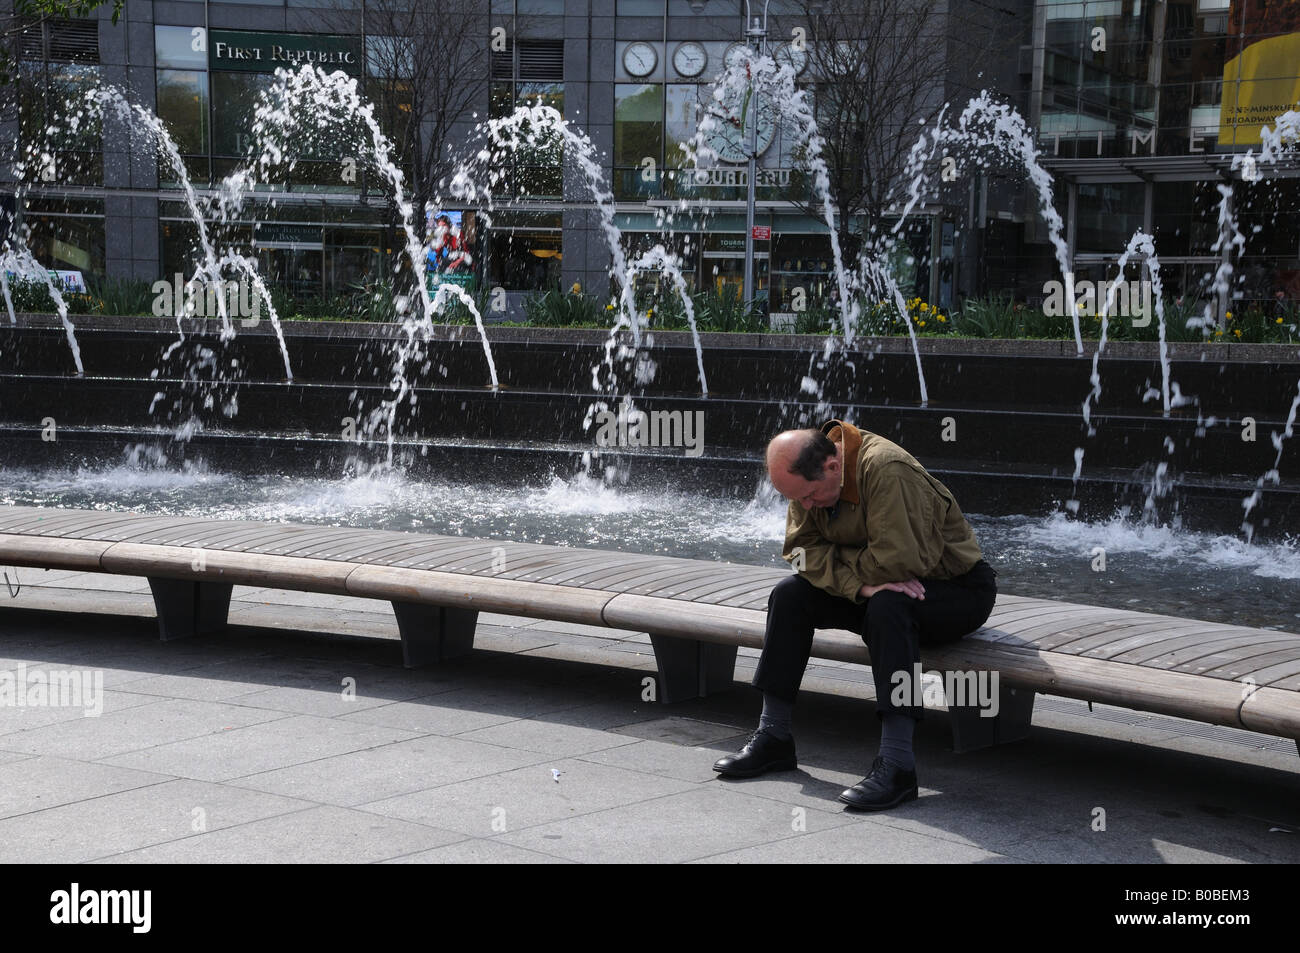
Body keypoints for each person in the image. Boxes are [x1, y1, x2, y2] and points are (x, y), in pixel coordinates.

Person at [713, 419, 998, 810]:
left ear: (833, 467)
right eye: (799, 501)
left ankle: (898, 765)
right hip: (876, 587)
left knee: (889, 606)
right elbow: (799, 553)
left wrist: (853, 573)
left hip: (956, 591)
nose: (807, 507)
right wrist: (860, 585)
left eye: (811, 497)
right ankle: (774, 736)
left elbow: (899, 563)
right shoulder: (807, 483)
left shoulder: (886, 470)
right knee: (790, 594)